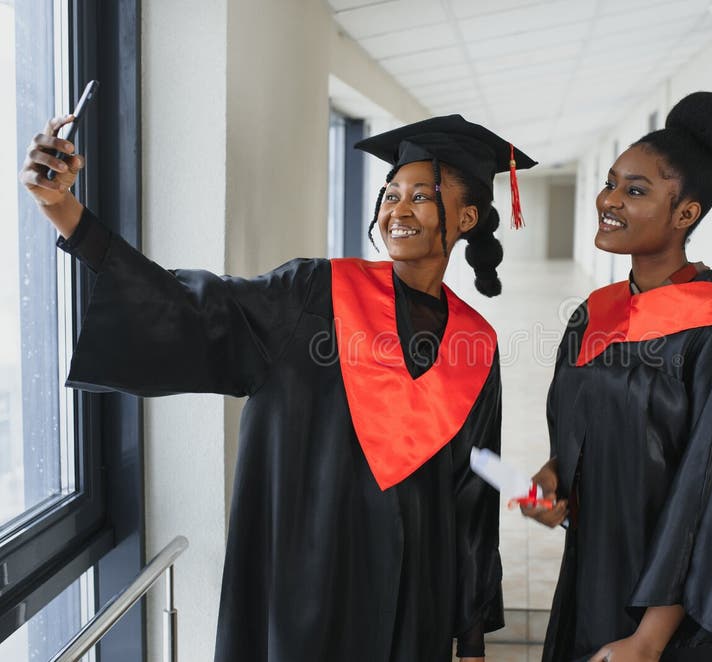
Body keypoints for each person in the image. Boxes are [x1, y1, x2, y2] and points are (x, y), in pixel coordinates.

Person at [19, 113, 537, 661]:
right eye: (390, 194)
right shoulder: (312, 291)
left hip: (413, 595)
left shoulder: (474, 342)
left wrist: (473, 636)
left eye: (422, 196)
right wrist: (67, 214)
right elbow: (196, 309)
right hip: (304, 582)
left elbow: (472, 487)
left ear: (468, 217)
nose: (397, 210)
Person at [523, 92, 712, 662]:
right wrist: (553, 482)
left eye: (635, 191)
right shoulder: (593, 311)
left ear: (685, 213)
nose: (608, 201)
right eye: (610, 183)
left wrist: (649, 639)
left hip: (663, 610)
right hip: (590, 570)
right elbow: (579, 431)